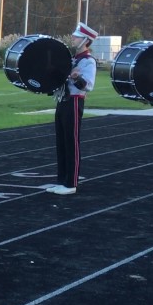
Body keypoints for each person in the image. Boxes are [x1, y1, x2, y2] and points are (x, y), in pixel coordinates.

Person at [49, 22, 97, 195]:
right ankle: (61, 180)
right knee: (61, 142)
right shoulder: (72, 58)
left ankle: (71, 183)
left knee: (71, 142)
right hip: (63, 100)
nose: (73, 38)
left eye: (76, 36)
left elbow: (88, 85)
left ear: (85, 40)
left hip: (75, 101)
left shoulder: (88, 61)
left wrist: (76, 78)